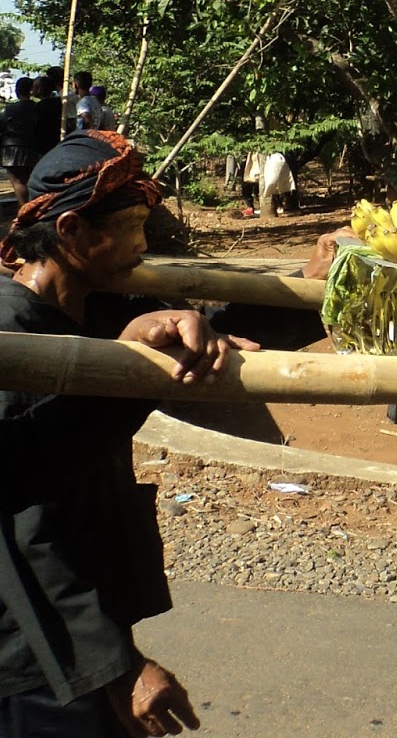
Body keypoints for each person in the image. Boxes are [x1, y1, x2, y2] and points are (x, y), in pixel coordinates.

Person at [0, 130, 259, 735]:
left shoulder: (83, 308)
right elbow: (20, 527)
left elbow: (215, 332)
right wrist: (116, 667)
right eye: (132, 225)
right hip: (38, 659)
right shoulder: (16, 341)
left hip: (64, 651)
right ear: (71, 233)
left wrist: (313, 285)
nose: (143, 245)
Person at [0, 79, 39, 204]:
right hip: (33, 148)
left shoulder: (9, 110)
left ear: (17, 91)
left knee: (18, 183)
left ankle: (25, 211)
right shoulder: (37, 108)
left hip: (11, 151)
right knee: (31, 181)